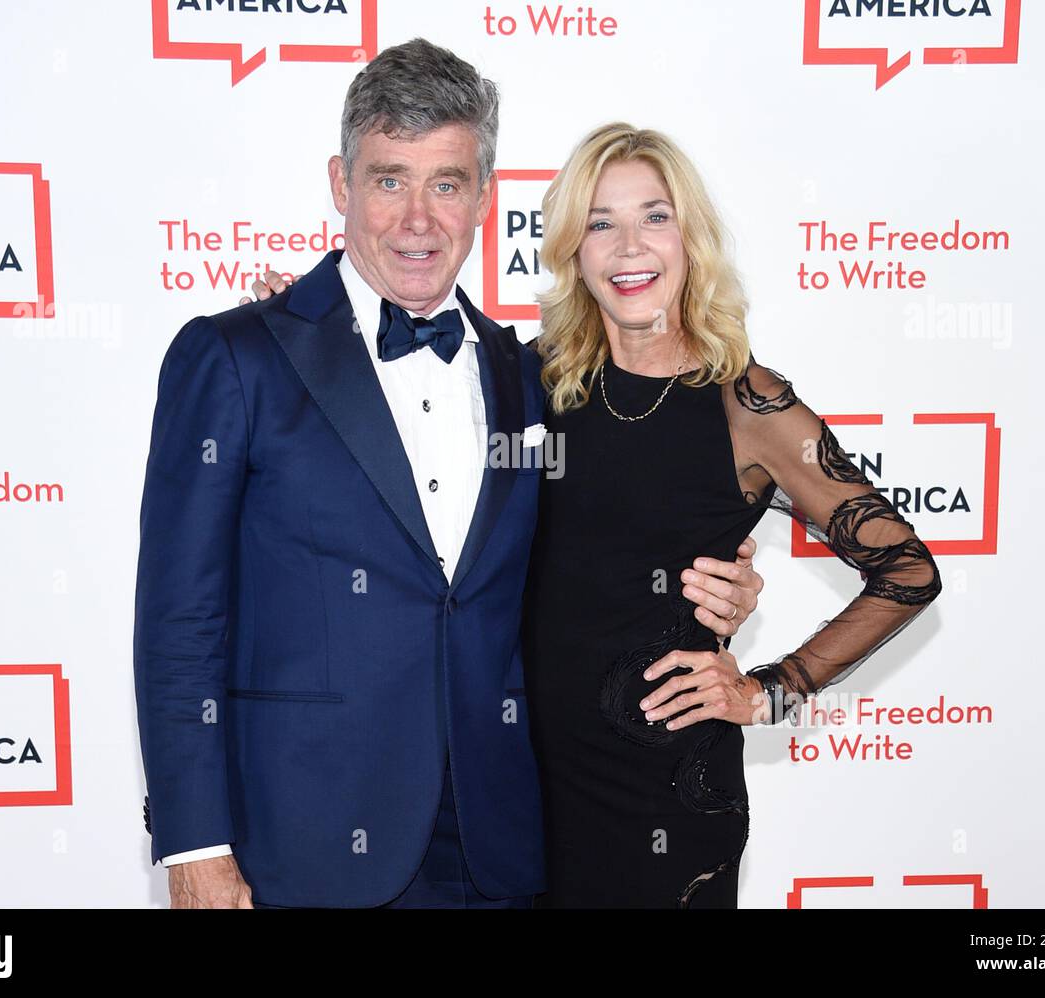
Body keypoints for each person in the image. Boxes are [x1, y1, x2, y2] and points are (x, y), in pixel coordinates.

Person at [134, 40, 759, 910]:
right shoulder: (239, 358)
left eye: (447, 183)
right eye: (390, 180)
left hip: (503, 847)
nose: (418, 220)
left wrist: (726, 574)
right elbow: (179, 622)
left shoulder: (533, 379)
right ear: (340, 185)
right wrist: (194, 845)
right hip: (302, 846)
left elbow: (618, 524)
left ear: (483, 200)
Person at [252, 122, 943, 909]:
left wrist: (767, 690)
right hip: (517, 787)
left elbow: (908, 571)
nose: (628, 247)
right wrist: (310, 337)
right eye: (600, 223)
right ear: (573, 250)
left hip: (664, 790)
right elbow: (398, 418)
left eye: (655, 216)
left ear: (692, 238)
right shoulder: (528, 382)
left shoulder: (746, 405)